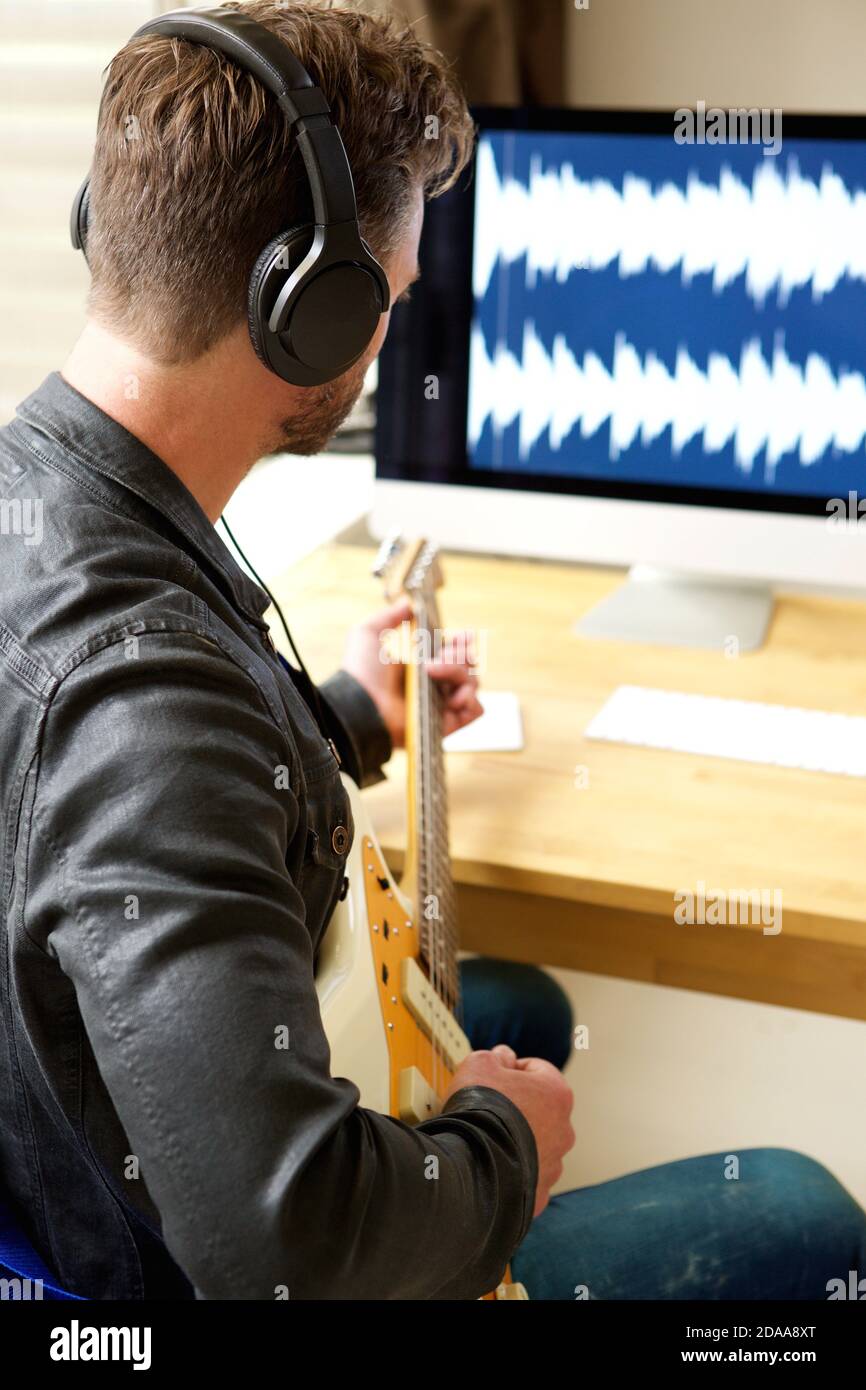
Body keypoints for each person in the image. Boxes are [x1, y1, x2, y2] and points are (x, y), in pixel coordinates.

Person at [0, 1, 862, 1301]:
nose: (395, 325)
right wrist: (505, 1146)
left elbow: (67, 808)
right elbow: (285, 1250)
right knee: (800, 1212)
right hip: (151, 1280)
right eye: (392, 295)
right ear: (310, 306)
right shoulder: (150, 708)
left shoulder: (54, 490)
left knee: (509, 1004)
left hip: (74, 1138)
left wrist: (336, 716)